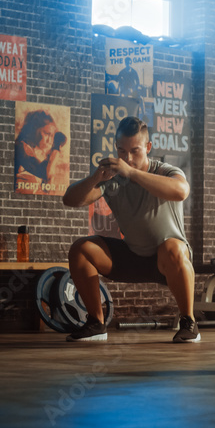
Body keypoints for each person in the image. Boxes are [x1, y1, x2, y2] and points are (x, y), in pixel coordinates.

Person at [62, 116, 197, 343]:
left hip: (169, 262)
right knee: (81, 249)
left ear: (148, 148)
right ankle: (96, 323)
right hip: (134, 256)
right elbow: (70, 200)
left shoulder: (164, 170)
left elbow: (181, 191)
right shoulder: (113, 181)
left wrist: (133, 173)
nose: (128, 158)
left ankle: (189, 322)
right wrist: (97, 177)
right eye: (122, 151)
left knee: (172, 247)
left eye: (135, 151)